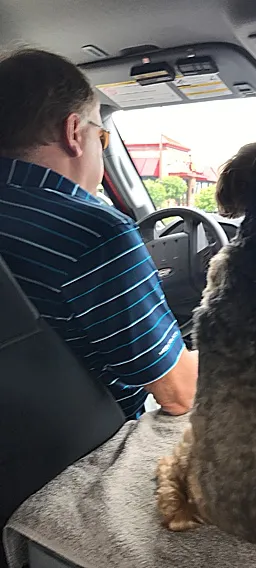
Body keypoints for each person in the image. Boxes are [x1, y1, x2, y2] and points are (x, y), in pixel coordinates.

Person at [0, 48, 197, 419]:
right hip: (89, 444)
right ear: (74, 132)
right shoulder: (95, 234)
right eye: (102, 139)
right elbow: (179, 394)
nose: (100, 151)